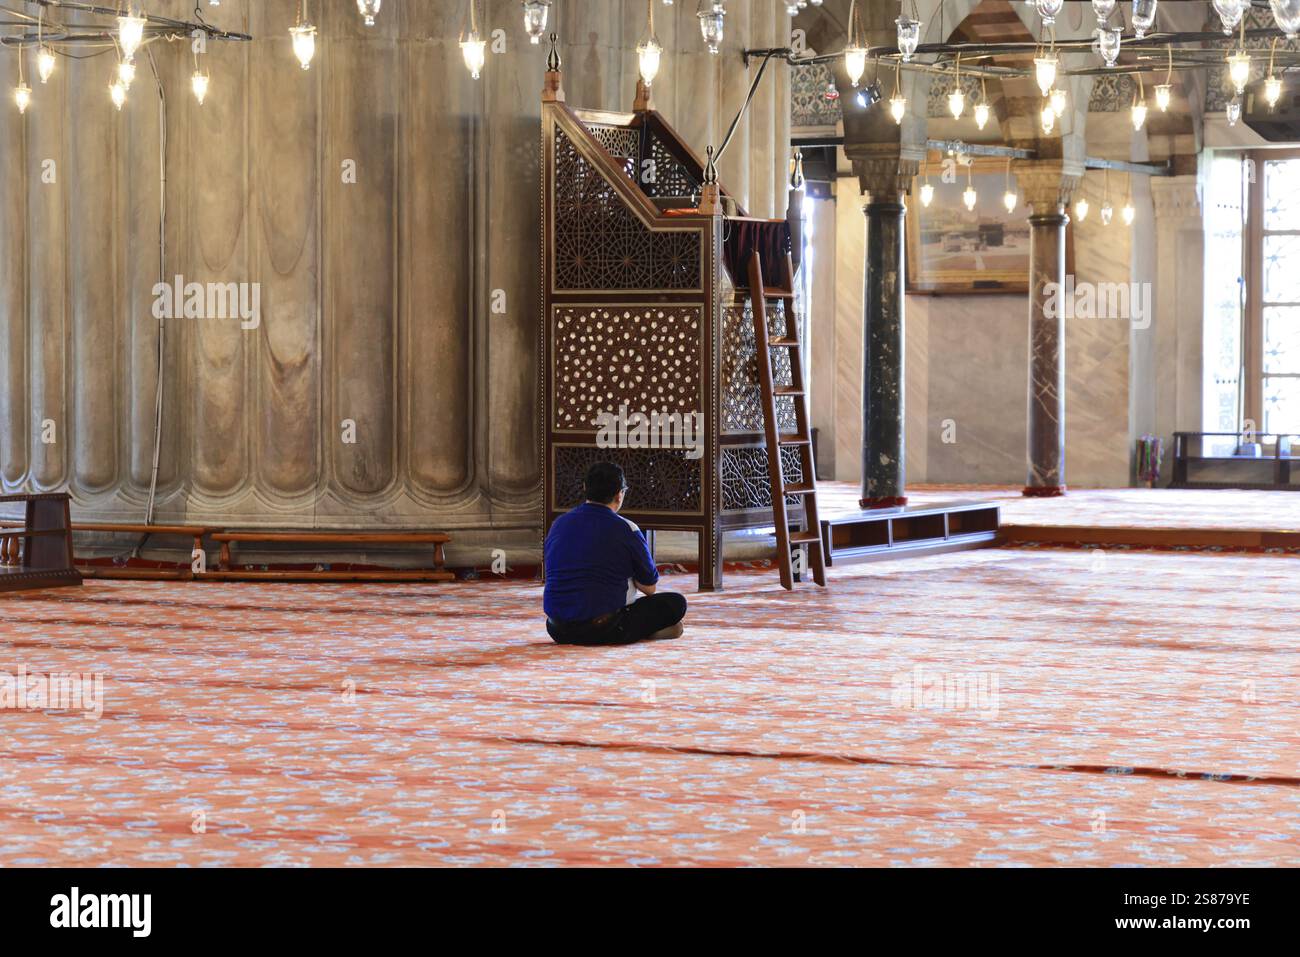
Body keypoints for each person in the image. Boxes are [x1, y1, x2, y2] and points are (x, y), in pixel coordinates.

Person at [543, 462, 688, 646]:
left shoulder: (559, 524)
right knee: (676, 603)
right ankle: (644, 631)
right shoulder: (627, 528)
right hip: (605, 628)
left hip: (557, 629)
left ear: (585, 488)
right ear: (620, 494)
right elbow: (649, 588)